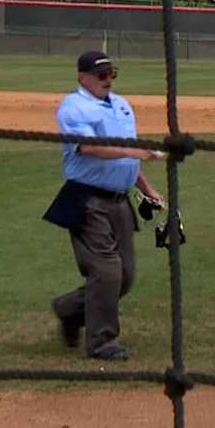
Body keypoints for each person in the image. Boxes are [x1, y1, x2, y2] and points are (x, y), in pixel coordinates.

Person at [45, 51, 166, 362]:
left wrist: (147, 189)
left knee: (124, 276)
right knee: (107, 271)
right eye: (101, 75)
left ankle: (69, 310)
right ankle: (102, 343)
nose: (108, 80)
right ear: (82, 77)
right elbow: (88, 147)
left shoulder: (122, 106)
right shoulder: (74, 107)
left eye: (112, 73)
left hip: (119, 199)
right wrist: (138, 151)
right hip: (86, 199)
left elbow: (125, 156)